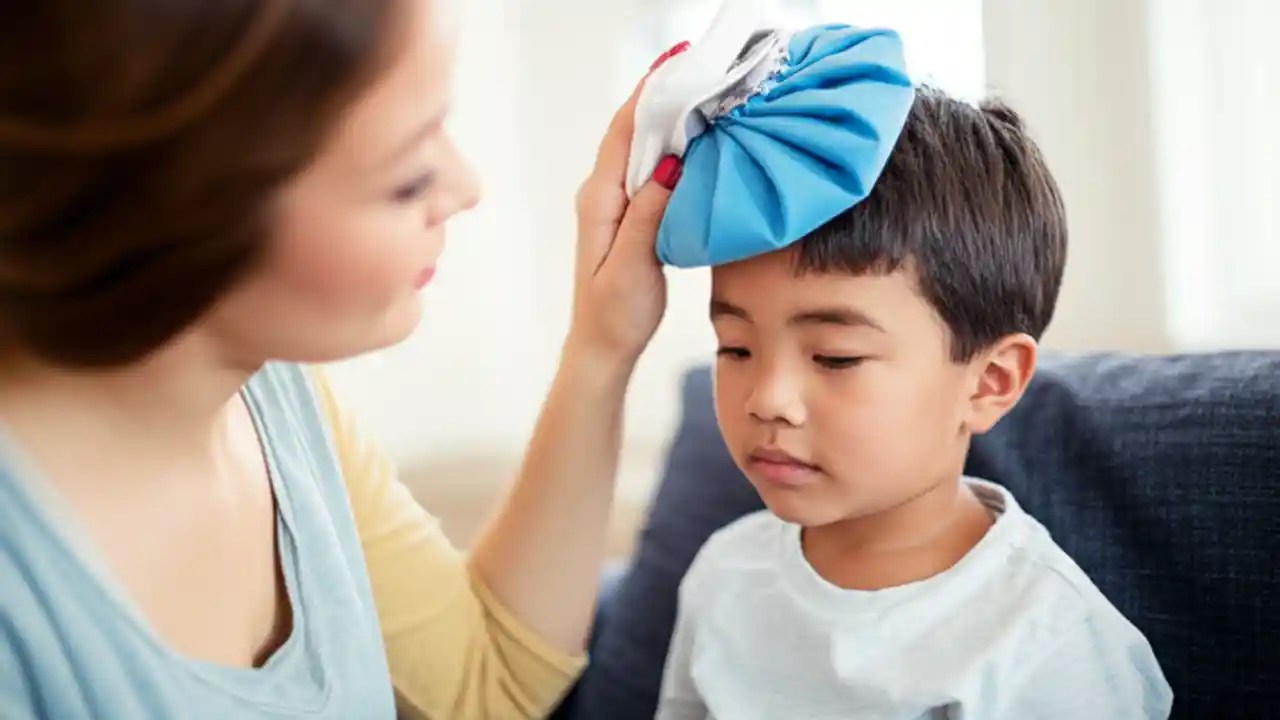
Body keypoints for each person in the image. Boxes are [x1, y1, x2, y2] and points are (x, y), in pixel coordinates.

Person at [0, 1, 686, 717]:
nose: (464, 189)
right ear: (184, 209)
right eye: (409, 176)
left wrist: (603, 346)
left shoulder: (276, 395)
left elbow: (484, 682)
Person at [656, 86, 1173, 718]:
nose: (768, 400)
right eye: (736, 348)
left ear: (989, 382)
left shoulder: (1047, 644)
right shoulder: (725, 574)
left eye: (836, 357)